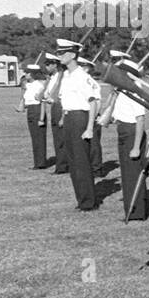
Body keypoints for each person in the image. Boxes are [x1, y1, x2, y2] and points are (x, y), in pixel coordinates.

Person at [55, 39, 100, 211]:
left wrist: (89, 128)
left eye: (62, 53)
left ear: (72, 55)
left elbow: (93, 102)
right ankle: (81, 199)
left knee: (81, 161)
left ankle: (88, 202)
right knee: (73, 161)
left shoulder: (82, 76)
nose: (59, 55)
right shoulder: (66, 75)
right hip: (69, 118)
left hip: (80, 118)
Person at [107, 57, 149, 221]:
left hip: (133, 134)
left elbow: (140, 120)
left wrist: (137, 147)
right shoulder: (123, 90)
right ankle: (130, 209)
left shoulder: (134, 90)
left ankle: (137, 212)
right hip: (124, 130)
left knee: (133, 174)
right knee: (126, 173)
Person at [43, 53, 69, 175]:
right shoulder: (53, 77)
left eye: (48, 64)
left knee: (61, 139)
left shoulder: (63, 77)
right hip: (54, 107)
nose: (47, 67)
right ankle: (61, 164)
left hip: (61, 107)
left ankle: (62, 166)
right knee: (57, 139)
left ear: (55, 64)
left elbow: (61, 95)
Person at [17, 63, 47, 169]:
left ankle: (41, 163)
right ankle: (37, 162)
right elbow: (25, 99)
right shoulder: (28, 85)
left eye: (27, 73)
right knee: (34, 138)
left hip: (37, 110)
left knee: (39, 138)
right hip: (30, 110)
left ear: (32, 74)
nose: (25, 74)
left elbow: (42, 102)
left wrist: (41, 119)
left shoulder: (39, 85)